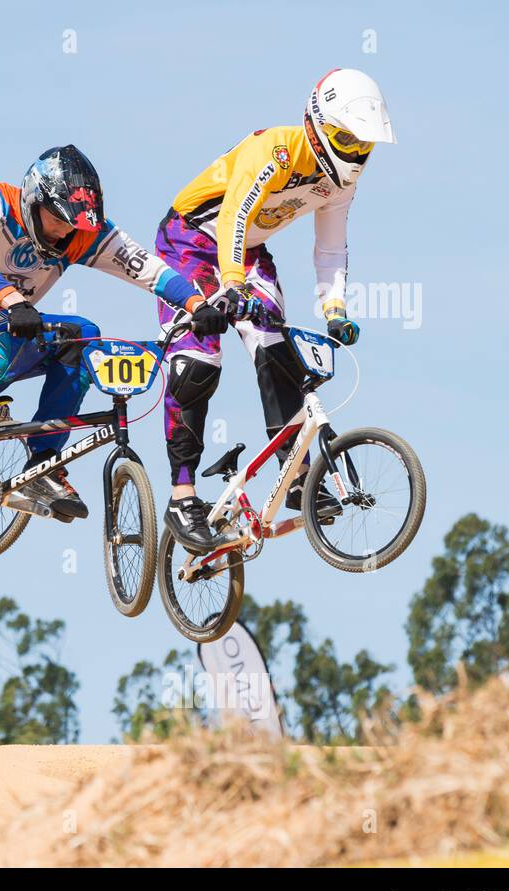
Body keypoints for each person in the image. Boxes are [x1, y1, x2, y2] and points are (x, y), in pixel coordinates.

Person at [153, 68, 395, 552]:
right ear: (318, 126)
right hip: (193, 241)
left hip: (249, 253)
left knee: (276, 347)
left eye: (363, 142)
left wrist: (334, 309)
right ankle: (183, 496)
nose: (356, 151)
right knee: (199, 363)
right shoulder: (277, 150)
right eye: (347, 138)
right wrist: (233, 285)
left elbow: (330, 249)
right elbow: (233, 217)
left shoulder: (339, 184)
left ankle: (297, 473)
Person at [0, 145, 214, 520]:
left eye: (75, 224)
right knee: (11, 332)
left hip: (10, 324)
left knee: (83, 335)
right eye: (57, 219)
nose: (64, 231)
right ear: (34, 201)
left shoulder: (83, 232)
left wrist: (198, 305)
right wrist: (10, 300)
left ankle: (44, 460)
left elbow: (147, 268)